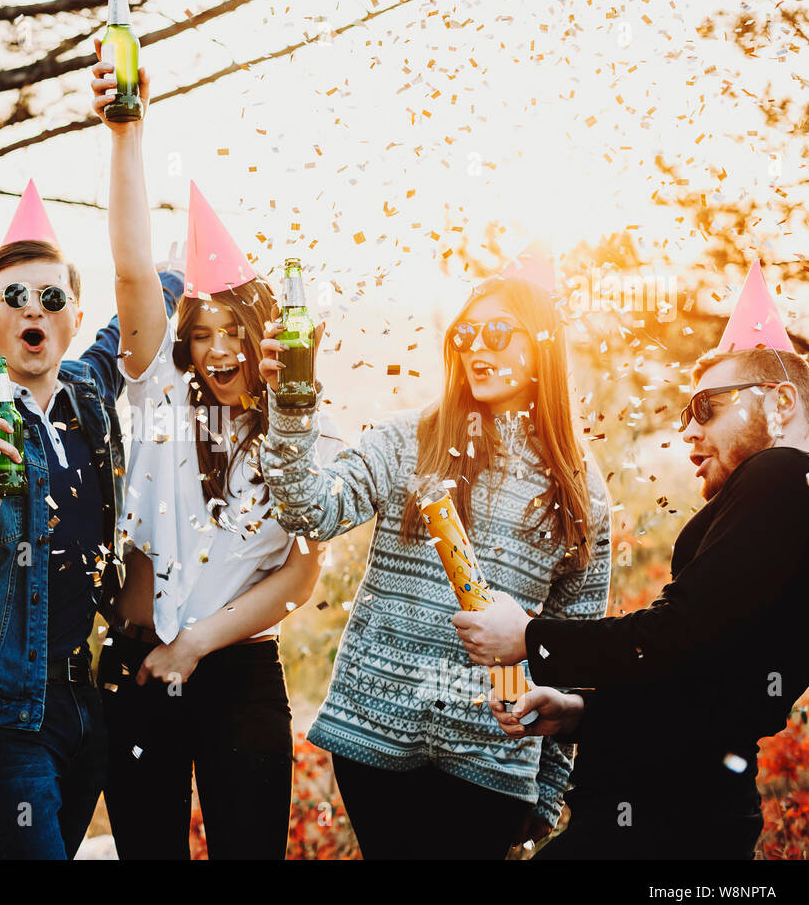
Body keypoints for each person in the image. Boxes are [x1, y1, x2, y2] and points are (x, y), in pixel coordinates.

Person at [261, 264, 613, 859]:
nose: (477, 348)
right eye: (465, 335)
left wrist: (549, 791)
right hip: (375, 731)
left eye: (498, 333)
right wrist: (290, 404)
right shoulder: (408, 439)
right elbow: (310, 513)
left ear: (543, 345)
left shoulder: (579, 490)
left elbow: (571, 652)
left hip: (494, 755)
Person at [90, 53, 342, 859]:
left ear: (269, 336)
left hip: (238, 674)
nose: (219, 350)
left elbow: (301, 576)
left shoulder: (300, 430)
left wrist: (193, 647)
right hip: (134, 667)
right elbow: (133, 266)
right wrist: (126, 134)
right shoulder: (159, 393)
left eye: (236, 332)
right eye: (203, 336)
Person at [0, 184, 175, 859]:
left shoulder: (88, 395)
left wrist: (173, 267)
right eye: (13, 297)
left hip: (84, 702)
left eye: (51, 298)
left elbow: (132, 323)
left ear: (72, 315)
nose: (32, 310)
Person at [457, 340, 809, 859]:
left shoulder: (786, 471)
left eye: (706, 408)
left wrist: (528, 638)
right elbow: (707, 683)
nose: (688, 430)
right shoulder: (793, 502)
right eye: (683, 414)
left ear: (780, 402)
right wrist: (578, 711)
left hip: (666, 821)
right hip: (685, 814)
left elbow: (676, 631)